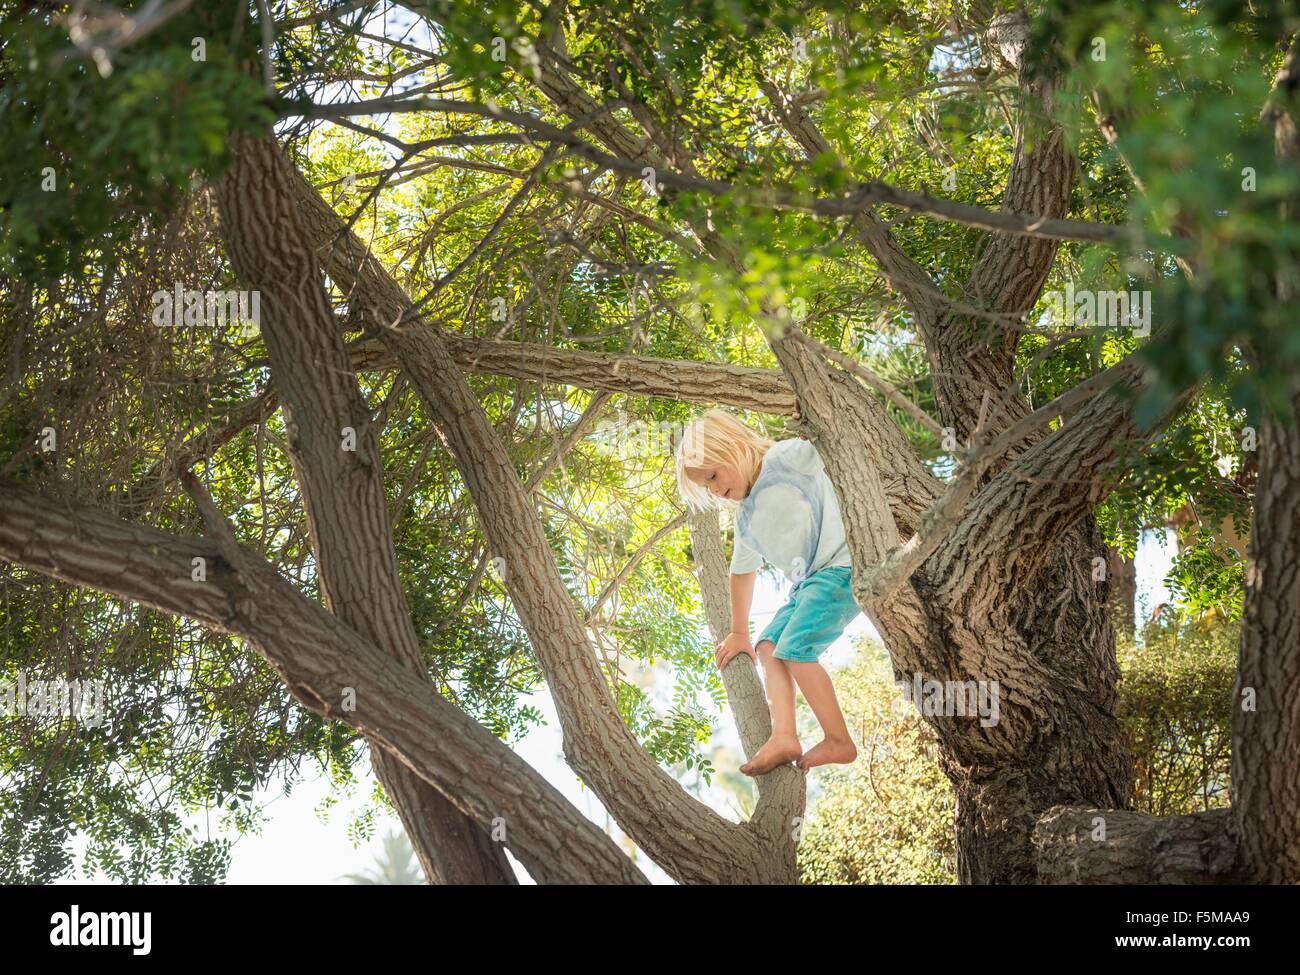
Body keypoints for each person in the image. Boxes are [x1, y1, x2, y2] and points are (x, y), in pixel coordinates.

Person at [675, 407, 861, 776]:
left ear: (734, 446)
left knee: (796, 649)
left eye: (712, 475)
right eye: (705, 486)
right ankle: (784, 736)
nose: (713, 489)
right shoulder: (745, 516)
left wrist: (814, 419)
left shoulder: (785, 457)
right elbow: (741, 572)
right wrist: (739, 632)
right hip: (809, 584)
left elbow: (834, 439)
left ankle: (839, 739)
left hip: (842, 567)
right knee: (769, 647)